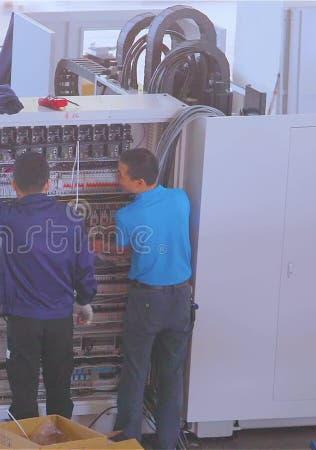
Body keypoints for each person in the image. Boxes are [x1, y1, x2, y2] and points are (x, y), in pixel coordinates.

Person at [0, 112, 97, 419]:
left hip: (23, 322)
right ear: (49, 184)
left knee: (23, 394)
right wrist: (85, 301)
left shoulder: (10, 219)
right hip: (60, 320)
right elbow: (84, 267)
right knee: (60, 392)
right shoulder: (71, 219)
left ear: (13, 185)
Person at [111, 148, 193, 449]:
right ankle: (168, 443)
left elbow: (119, 250)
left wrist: (89, 242)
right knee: (172, 374)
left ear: (140, 181)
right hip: (181, 298)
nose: (117, 178)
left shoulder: (128, 215)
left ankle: (128, 442)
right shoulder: (180, 198)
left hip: (147, 301)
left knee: (135, 371)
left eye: (121, 174)